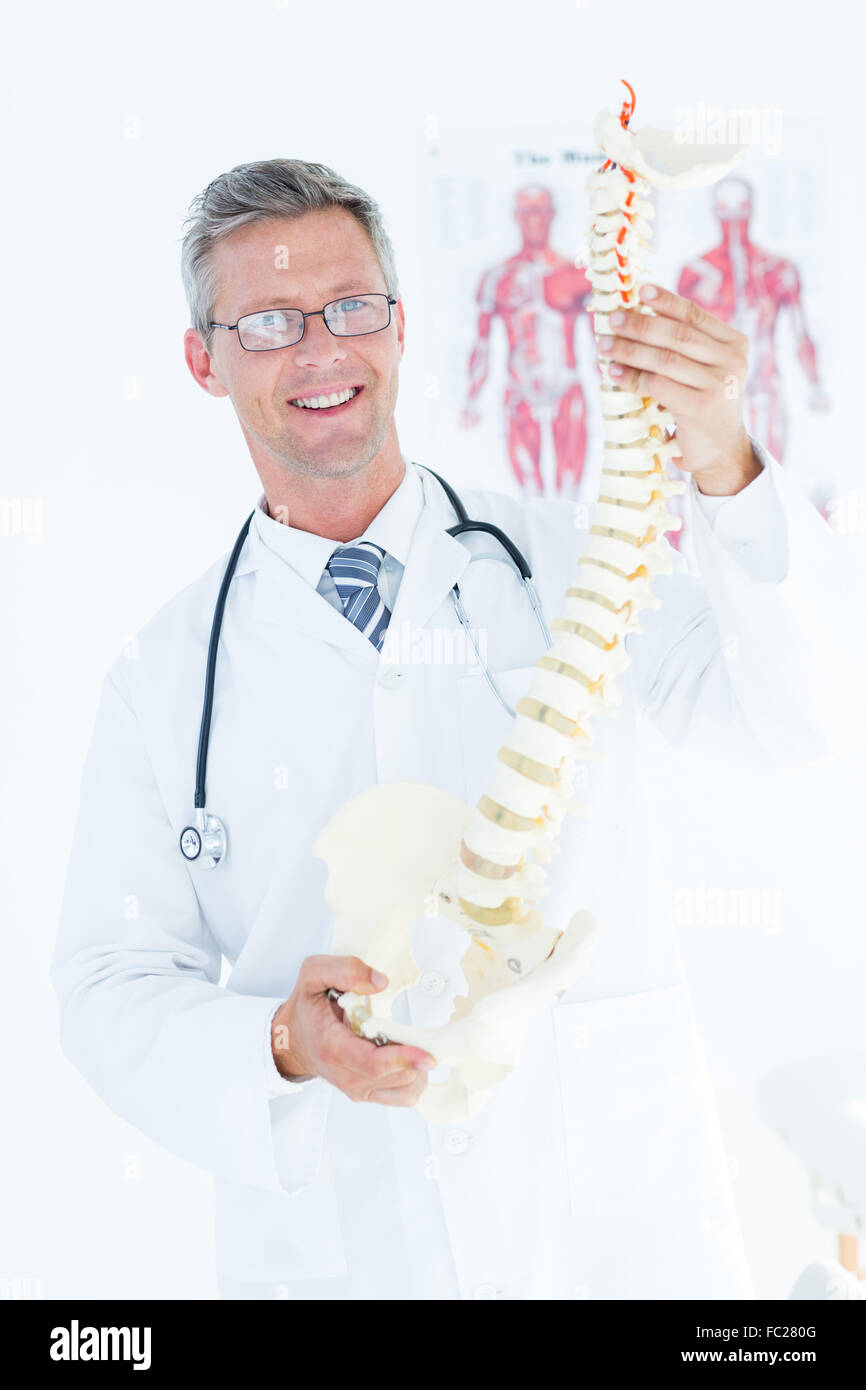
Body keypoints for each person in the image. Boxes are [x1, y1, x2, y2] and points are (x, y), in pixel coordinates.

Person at [51, 159, 860, 1301]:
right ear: (204, 359)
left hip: (615, 1232)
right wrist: (281, 1045)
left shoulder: (574, 563)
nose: (322, 349)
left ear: (398, 325)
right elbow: (105, 983)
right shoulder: (160, 678)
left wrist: (723, 459)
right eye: (272, 321)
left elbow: (804, 716)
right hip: (344, 1242)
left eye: (351, 308)